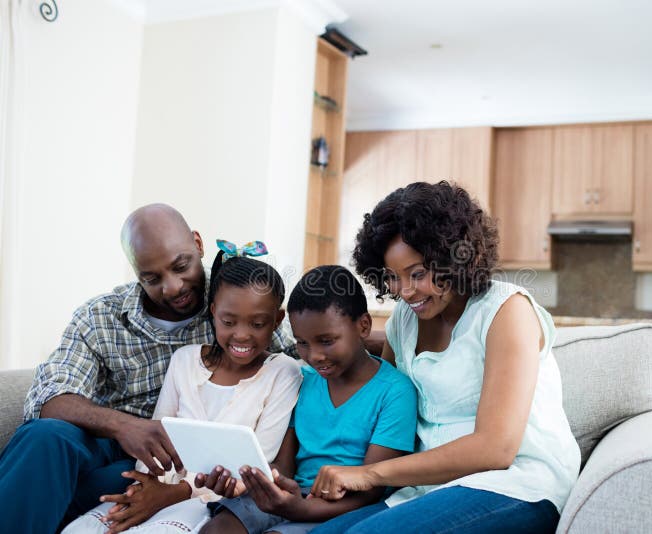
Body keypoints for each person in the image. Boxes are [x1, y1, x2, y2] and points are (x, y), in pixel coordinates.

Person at [0, 204, 297, 534]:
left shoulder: (238, 302)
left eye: (181, 266)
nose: (173, 287)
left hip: (171, 468)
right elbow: (48, 398)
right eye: (151, 278)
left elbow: (304, 358)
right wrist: (125, 426)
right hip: (104, 446)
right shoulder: (100, 317)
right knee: (43, 437)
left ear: (198, 244)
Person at [308, 181, 581, 533]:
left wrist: (370, 474)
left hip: (515, 484)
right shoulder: (404, 320)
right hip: (428, 489)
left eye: (418, 274)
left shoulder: (505, 311)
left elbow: (496, 449)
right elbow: (382, 395)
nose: (405, 291)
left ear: (453, 259)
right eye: (392, 277)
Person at [63, 244, 303, 533]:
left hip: (214, 504)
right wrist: (147, 490)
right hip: (158, 489)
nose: (242, 334)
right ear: (213, 313)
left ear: (277, 321)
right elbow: (157, 438)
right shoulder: (184, 361)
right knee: (84, 529)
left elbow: (254, 466)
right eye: (228, 322)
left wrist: (176, 493)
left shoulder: (284, 373)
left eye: (258, 323)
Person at [197, 265, 418, 534]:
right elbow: (285, 465)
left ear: (363, 326)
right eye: (302, 342)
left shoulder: (395, 392)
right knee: (217, 530)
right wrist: (262, 483)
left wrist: (300, 509)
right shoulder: (303, 379)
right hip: (292, 495)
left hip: (346, 508)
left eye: (326, 340)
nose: (314, 356)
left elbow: (371, 489)